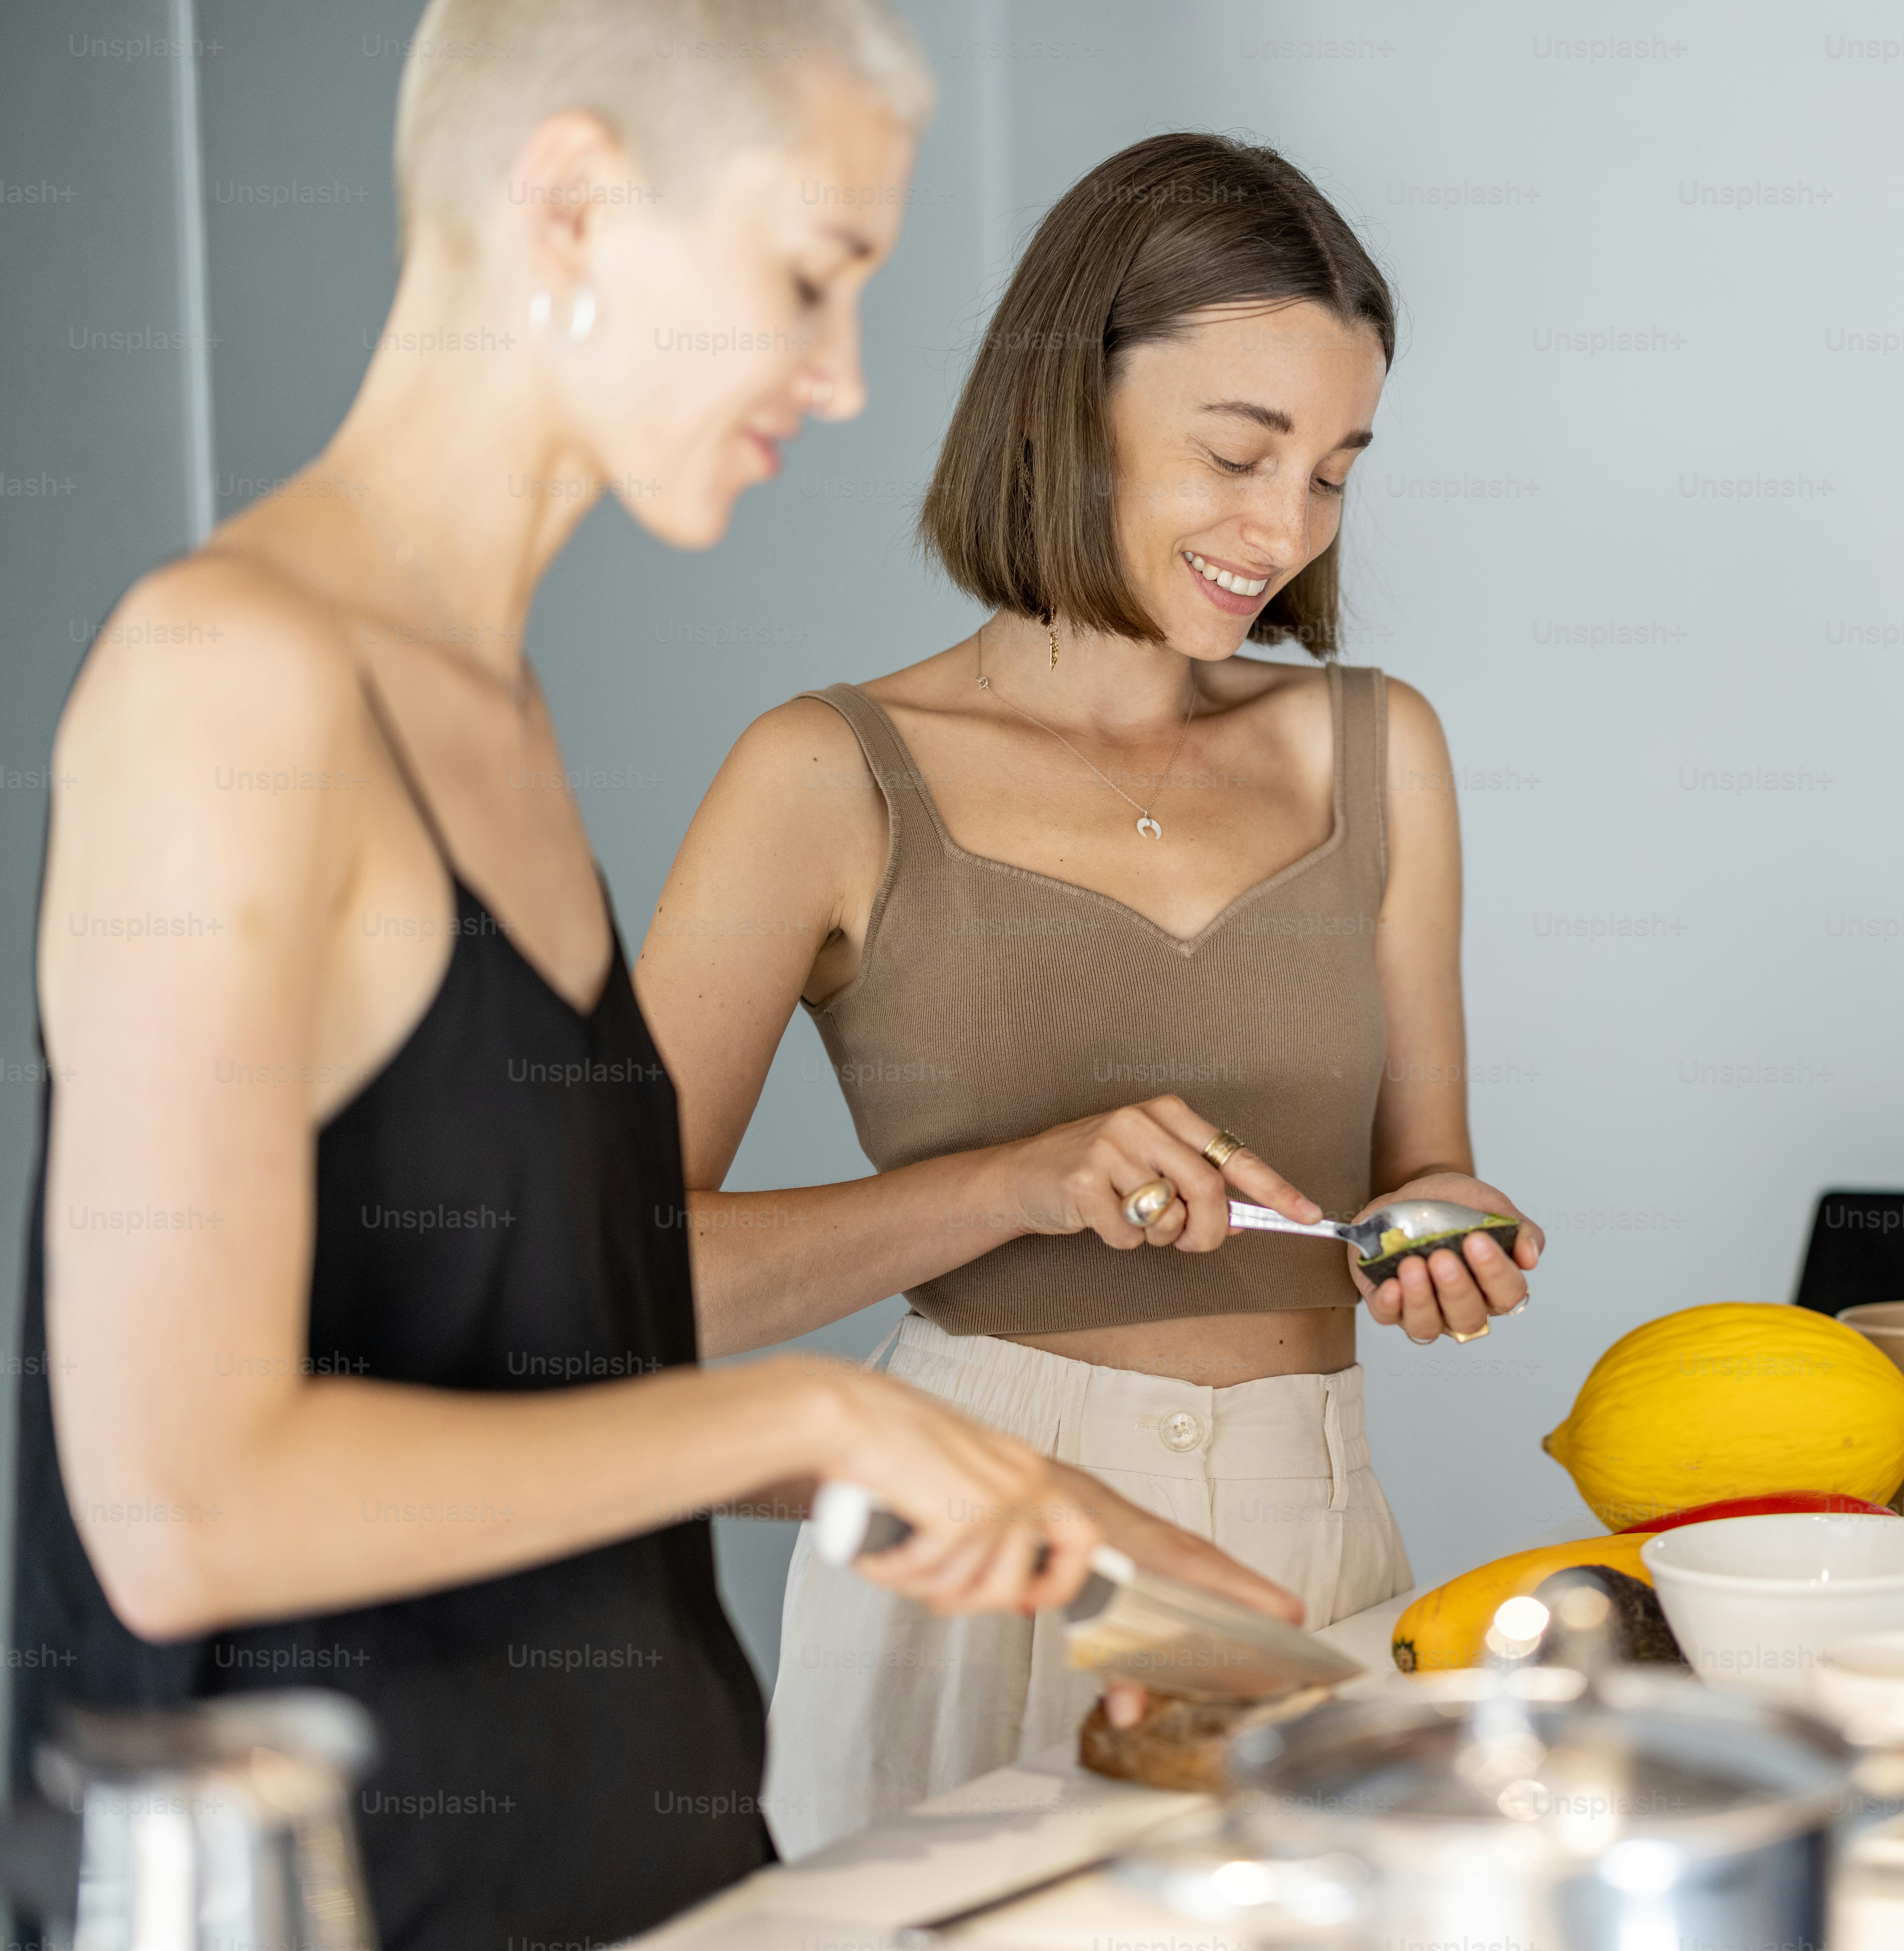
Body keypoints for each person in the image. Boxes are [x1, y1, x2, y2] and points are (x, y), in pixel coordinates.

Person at [12, 6, 1288, 1943]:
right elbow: (183, 1506)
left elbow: (522, 1353)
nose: (846, 376)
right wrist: (810, 1425)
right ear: (575, 198)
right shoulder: (231, 675)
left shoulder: (486, 711)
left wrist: (972, 1475)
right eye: (809, 275)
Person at [633, 130, 1547, 1852]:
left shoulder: (1376, 749)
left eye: (1337, 470)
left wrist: (1442, 1227)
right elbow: (605, 1290)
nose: (1282, 529)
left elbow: (1421, 1167)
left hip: (1316, 1537)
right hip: (975, 1551)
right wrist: (1014, 1179)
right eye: (1236, 451)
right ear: (1070, 406)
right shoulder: (824, 775)